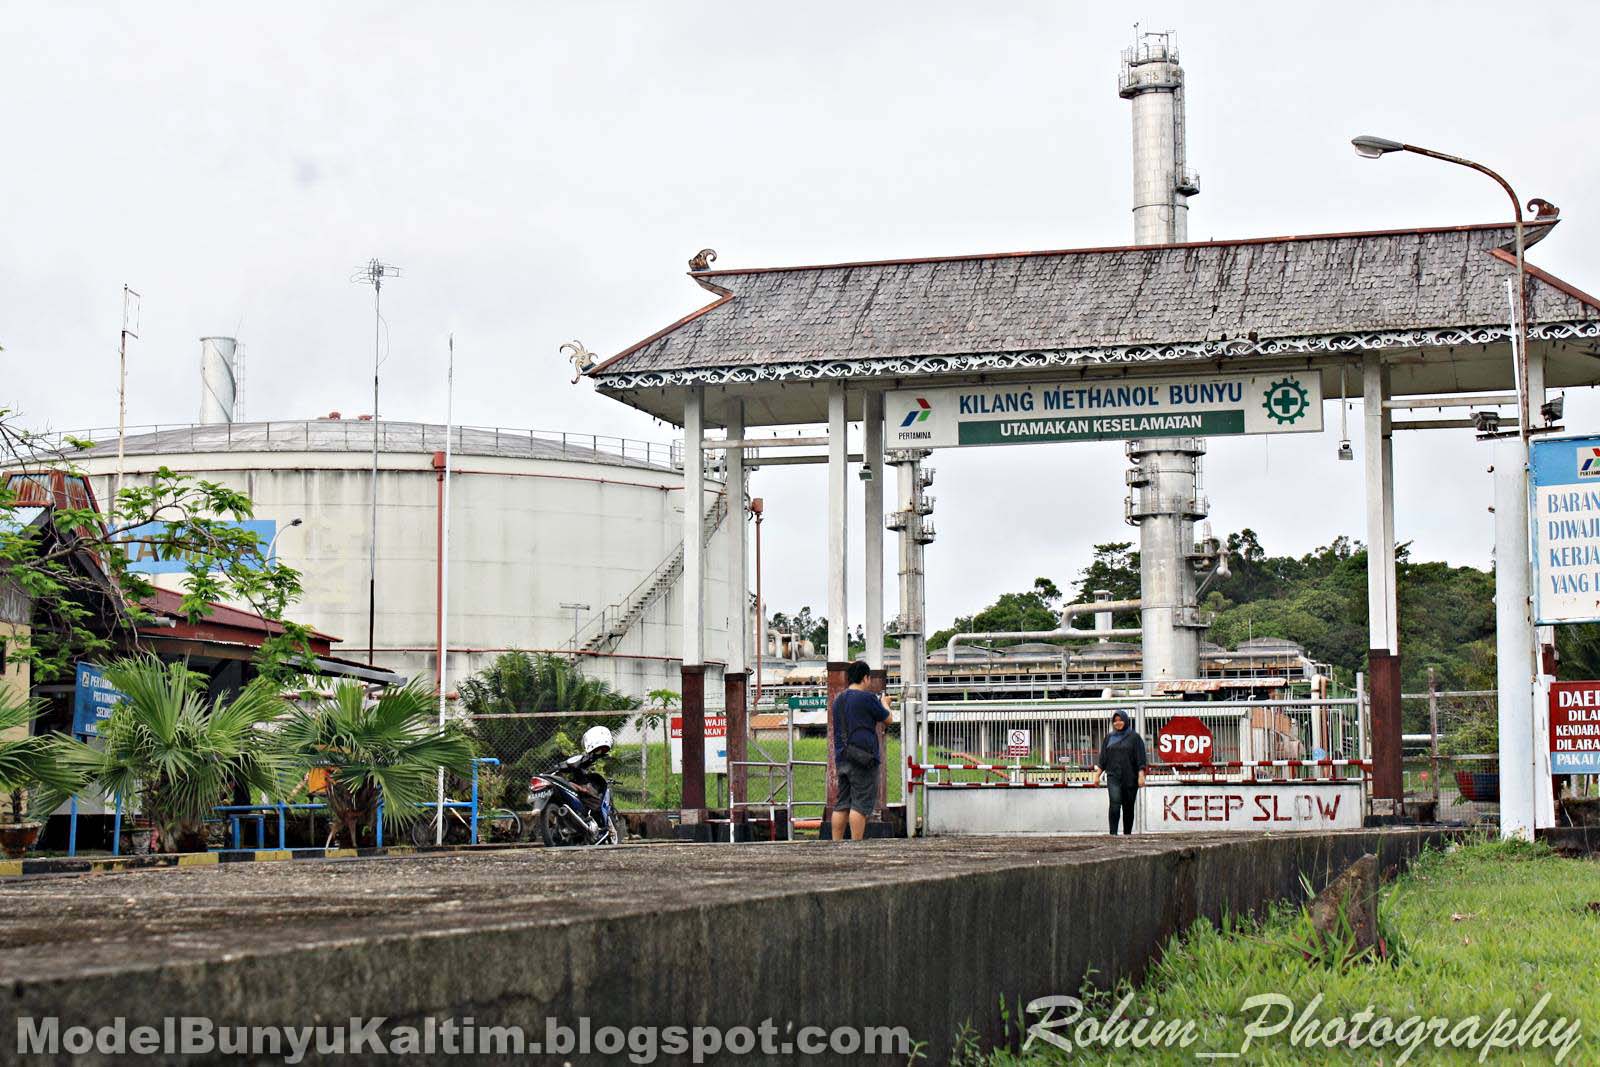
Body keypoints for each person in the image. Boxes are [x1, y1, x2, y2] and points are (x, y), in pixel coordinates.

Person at [829, 659, 893, 841]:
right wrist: (885, 703)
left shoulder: (838, 699)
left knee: (842, 803)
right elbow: (888, 719)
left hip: (842, 757)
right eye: (869, 678)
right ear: (865, 678)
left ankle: (836, 843)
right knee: (860, 804)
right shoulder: (868, 698)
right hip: (863, 758)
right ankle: (856, 844)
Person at [1094, 709, 1147, 835]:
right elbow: (1103, 759)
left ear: (1126, 721)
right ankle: (1113, 834)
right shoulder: (1109, 737)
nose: (1118, 723)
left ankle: (1127, 834)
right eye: (1115, 721)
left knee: (1128, 807)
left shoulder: (1134, 737)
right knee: (1115, 804)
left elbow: (1140, 757)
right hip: (1113, 777)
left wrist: (1141, 775)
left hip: (1130, 778)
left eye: (1120, 720)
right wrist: (1097, 775)